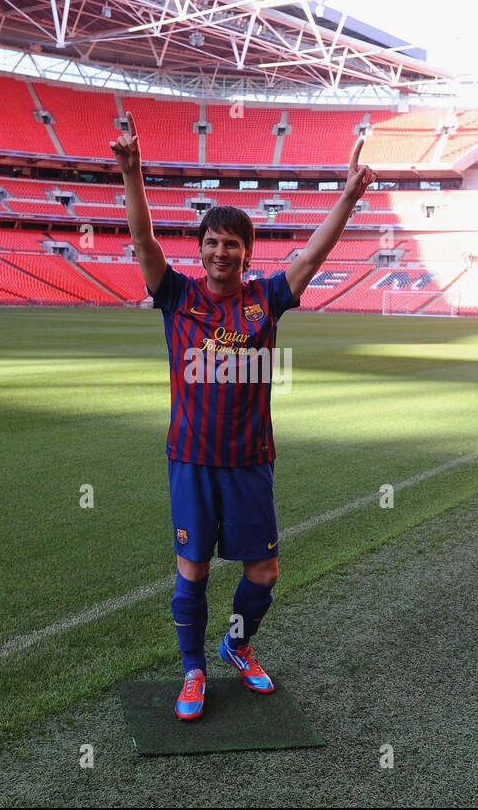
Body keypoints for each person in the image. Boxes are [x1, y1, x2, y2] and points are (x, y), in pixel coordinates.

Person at [110, 111, 376, 719]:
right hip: (192, 460)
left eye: (232, 243)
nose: (221, 251)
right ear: (200, 250)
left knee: (265, 569)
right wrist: (133, 172)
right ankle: (192, 670)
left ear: (246, 253)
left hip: (250, 462)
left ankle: (236, 643)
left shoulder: (265, 300)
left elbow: (312, 254)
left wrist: (348, 196)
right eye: (212, 242)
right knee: (192, 568)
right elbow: (145, 239)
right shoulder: (176, 296)